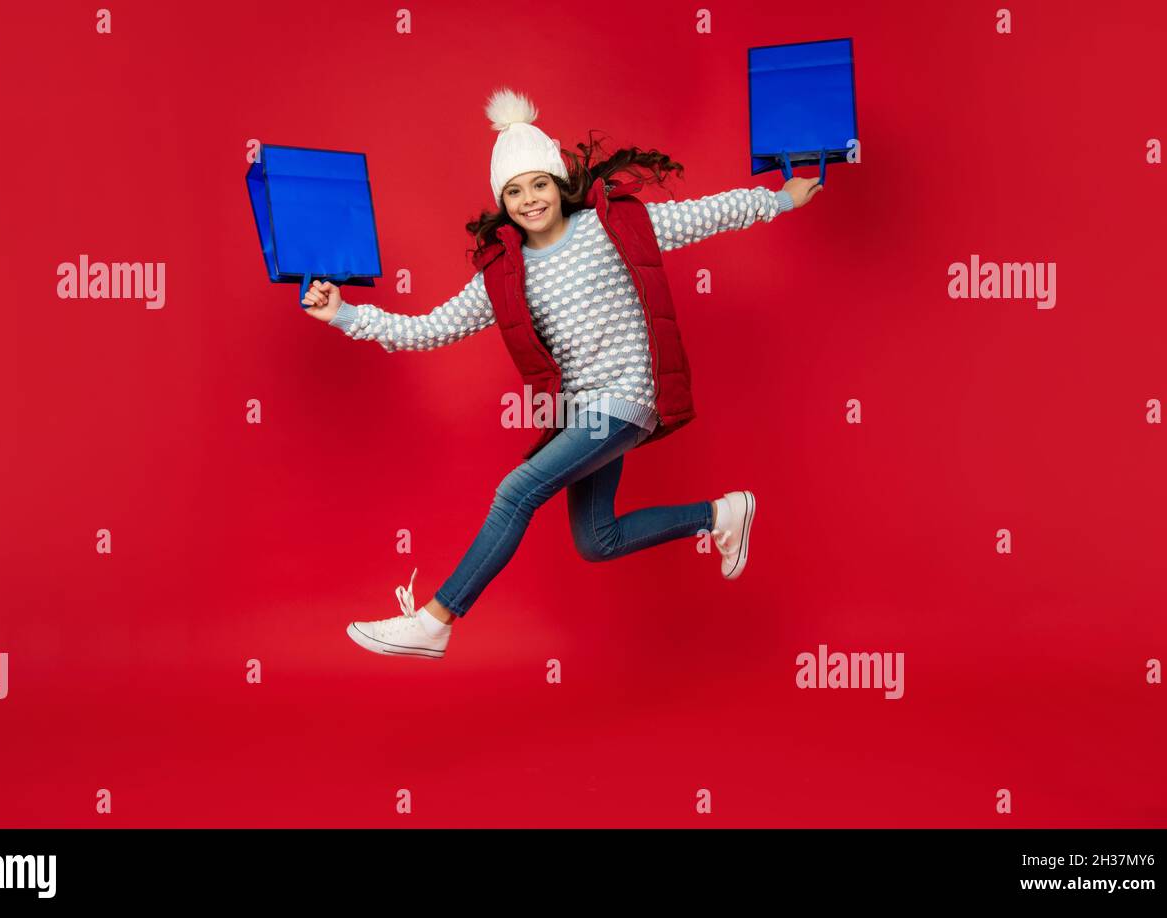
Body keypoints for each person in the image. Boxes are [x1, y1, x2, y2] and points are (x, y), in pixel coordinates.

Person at [302, 87, 823, 660]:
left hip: (628, 396)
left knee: (516, 492)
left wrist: (782, 199)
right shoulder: (504, 275)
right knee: (598, 541)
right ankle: (721, 514)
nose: (529, 199)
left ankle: (436, 619)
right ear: (503, 201)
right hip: (581, 413)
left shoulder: (610, 229)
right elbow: (431, 328)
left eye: (539, 184)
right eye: (514, 191)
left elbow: (704, 215)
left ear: (558, 184)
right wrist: (344, 314)